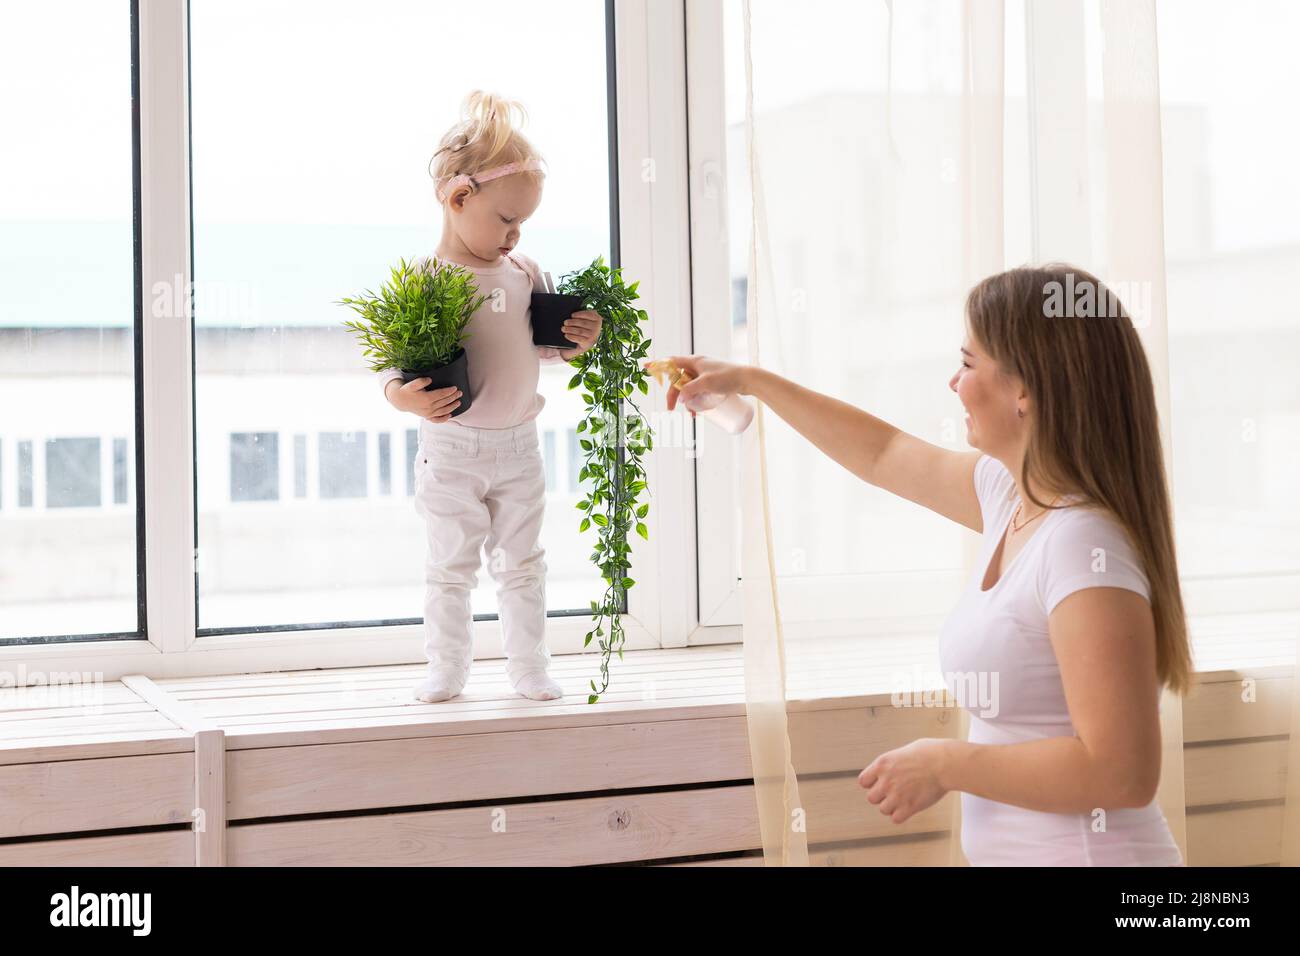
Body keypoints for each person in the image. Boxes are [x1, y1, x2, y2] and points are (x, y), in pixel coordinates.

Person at [657, 264, 1191, 865]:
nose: (953, 382)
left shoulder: (1081, 546)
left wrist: (947, 764)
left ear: (1026, 390)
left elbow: (1121, 773)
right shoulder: (1013, 498)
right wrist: (753, 381)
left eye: (968, 363)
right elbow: (884, 453)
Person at [379, 91, 602, 703]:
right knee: (451, 567)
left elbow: (549, 350)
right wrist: (406, 399)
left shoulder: (524, 273)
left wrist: (579, 338)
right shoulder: (426, 280)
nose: (514, 234)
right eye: (506, 220)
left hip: (519, 448)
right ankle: (446, 669)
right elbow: (394, 368)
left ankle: (528, 667)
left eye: (522, 223)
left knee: (523, 563)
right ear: (457, 199)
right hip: (451, 449)